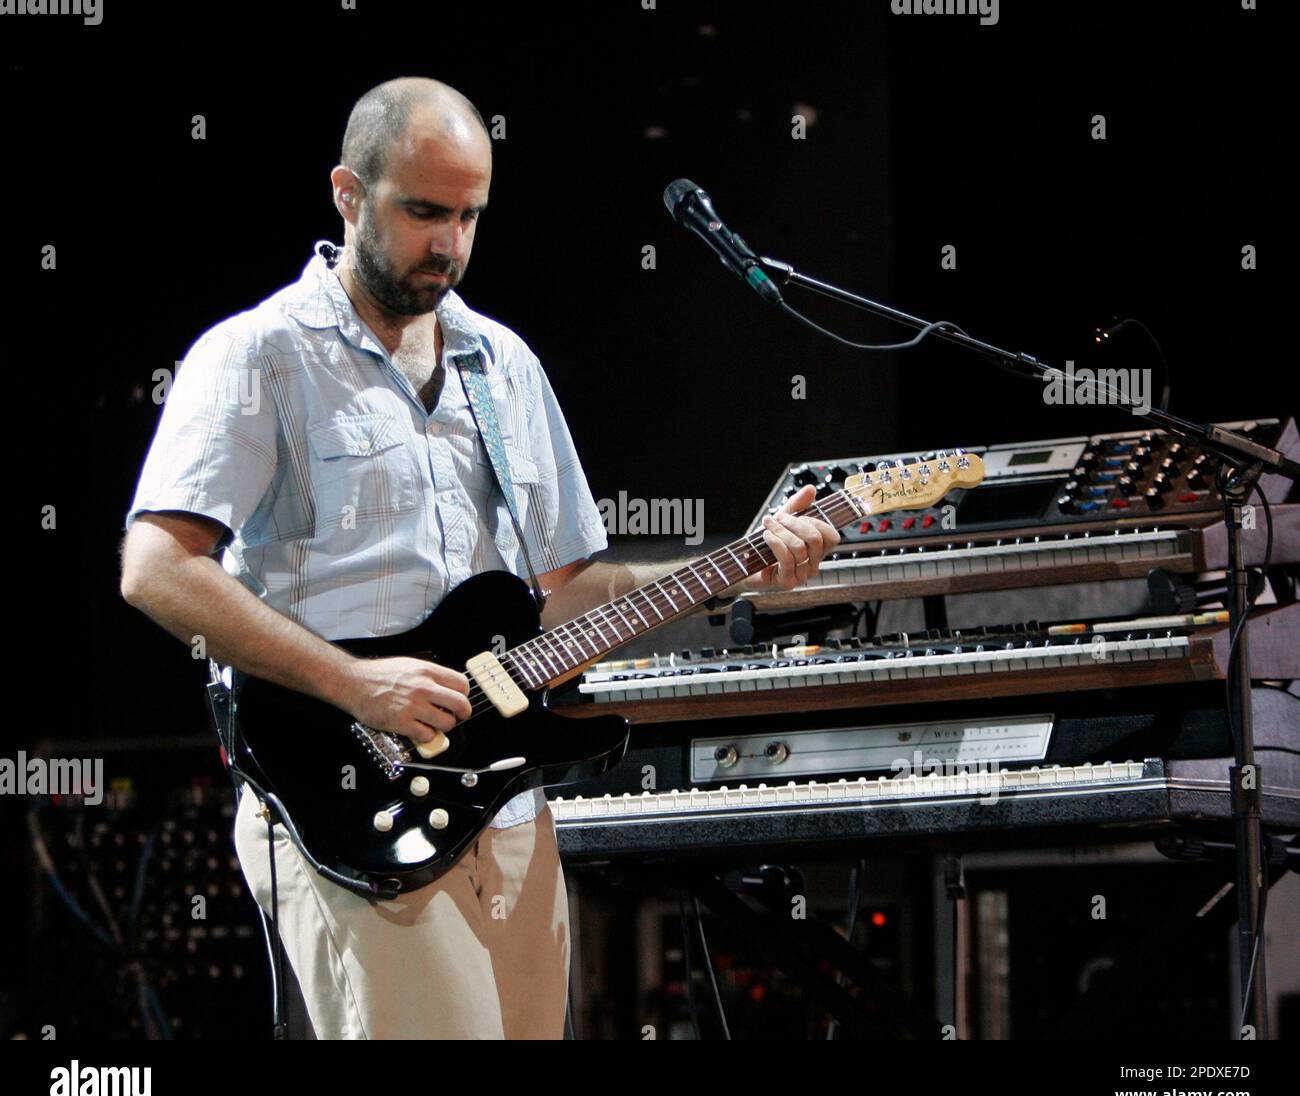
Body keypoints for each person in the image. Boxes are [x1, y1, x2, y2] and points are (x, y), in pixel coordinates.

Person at [118, 76, 841, 1040]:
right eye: (424, 212)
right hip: (342, 801)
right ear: (347, 192)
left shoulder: (502, 365)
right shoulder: (258, 356)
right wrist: (357, 684)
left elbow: (571, 594)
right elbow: (156, 567)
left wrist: (737, 562)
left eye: (469, 216)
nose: (449, 244)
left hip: (504, 806)